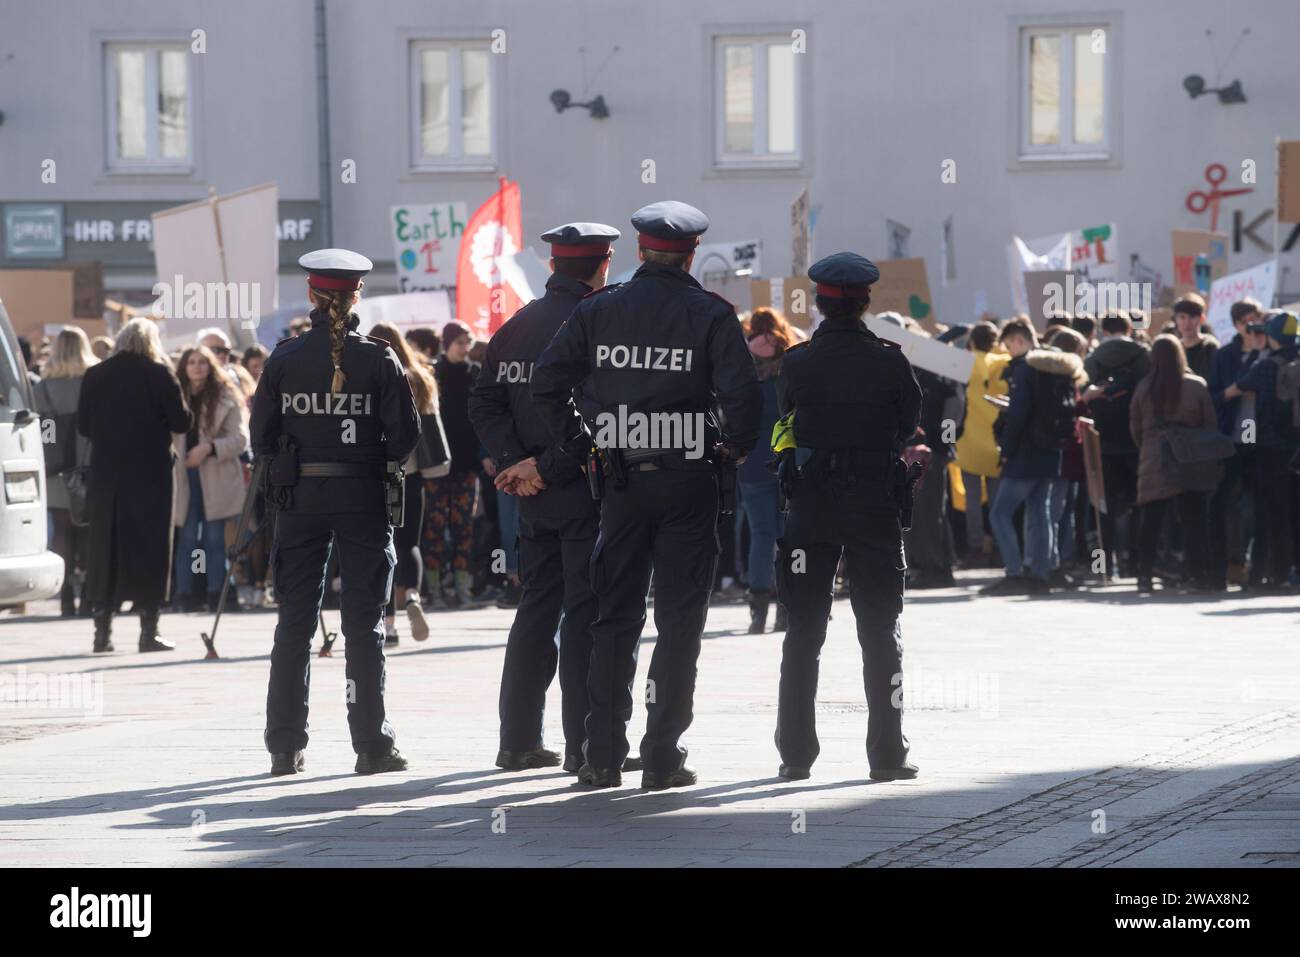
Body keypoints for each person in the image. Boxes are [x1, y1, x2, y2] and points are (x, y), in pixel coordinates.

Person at [531, 200, 761, 789]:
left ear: (639, 251)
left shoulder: (600, 310)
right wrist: (729, 449)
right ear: (689, 257)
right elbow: (743, 400)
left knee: (614, 618)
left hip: (621, 481)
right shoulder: (710, 313)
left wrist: (583, 442)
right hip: (688, 478)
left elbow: (547, 383)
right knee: (680, 621)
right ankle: (661, 755)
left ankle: (601, 754)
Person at [250, 249, 420, 776]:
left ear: (312, 297)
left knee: (294, 624)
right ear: (356, 296)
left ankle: (284, 745)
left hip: (300, 500)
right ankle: (371, 744)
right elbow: (406, 438)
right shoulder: (379, 357)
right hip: (364, 499)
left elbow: (260, 437)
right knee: (364, 625)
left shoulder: (284, 357)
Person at [469, 221, 619, 774]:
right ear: (602, 266)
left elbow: (483, 402)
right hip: (582, 487)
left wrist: (514, 463)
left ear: (553, 265)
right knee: (583, 613)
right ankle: (583, 744)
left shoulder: (515, 327)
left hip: (532, 496)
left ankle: (518, 739)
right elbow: (603, 418)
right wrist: (546, 465)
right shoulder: (598, 325)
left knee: (535, 610)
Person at [770, 252, 921, 782]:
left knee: (804, 630)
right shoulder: (890, 359)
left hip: (811, 506)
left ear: (819, 303)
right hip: (873, 505)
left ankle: (795, 754)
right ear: (865, 303)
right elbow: (908, 424)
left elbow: (786, 415)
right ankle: (887, 753)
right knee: (880, 630)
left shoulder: (798, 361)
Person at [78, 318, 192, 653]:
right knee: (151, 546)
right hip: (151, 474)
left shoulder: (95, 374)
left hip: (106, 475)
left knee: (104, 547)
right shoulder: (159, 373)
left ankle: (102, 633)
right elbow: (181, 422)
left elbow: (84, 426)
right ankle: (148, 631)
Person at [366, 321, 438, 645]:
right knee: (411, 542)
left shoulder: (376, 373)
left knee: (385, 543)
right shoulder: (421, 378)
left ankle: (389, 624)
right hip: (415, 471)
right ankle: (412, 595)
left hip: (385, 471)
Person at [1130, 334, 1216, 593]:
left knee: (1151, 521)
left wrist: (1147, 447)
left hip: (1153, 457)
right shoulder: (1196, 385)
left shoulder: (1144, 388)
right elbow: (1210, 424)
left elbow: (1134, 429)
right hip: (1188, 458)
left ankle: (1144, 576)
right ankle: (1198, 575)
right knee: (1193, 521)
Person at [1223, 311, 1300, 591]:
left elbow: (1231, 391)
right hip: (1297, 447)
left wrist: (1256, 353)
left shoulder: (1265, 366)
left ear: (1271, 336)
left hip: (1270, 450)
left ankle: (1274, 573)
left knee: (1272, 513)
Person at [171, 345, 250, 612]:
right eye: (191, 362)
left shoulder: (226, 395)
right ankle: (186, 593)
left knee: (215, 539)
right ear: (183, 367)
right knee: (188, 539)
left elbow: (239, 439)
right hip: (183, 476)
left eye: (202, 362)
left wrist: (209, 448)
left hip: (216, 475)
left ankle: (217, 593)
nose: (196, 366)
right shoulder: (174, 395)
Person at [33, 327, 97, 618]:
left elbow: (39, 429)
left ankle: (66, 597)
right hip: (89, 462)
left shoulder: (44, 386)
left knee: (61, 531)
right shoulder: (94, 380)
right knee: (86, 530)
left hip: (55, 466)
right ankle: (87, 596)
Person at [738, 308, 794, 632]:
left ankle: (757, 611)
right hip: (786, 458)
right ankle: (785, 608)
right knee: (787, 534)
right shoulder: (790, 362)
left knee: (760, 535)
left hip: (753, 462)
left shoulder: (742, 365)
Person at [1082, 311, 1150, 579]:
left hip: (1102, 441)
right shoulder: (1143, 355)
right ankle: (1135, 563)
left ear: (1103, 331)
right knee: (1138, 504)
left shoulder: (1093, 359)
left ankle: (1104, 566)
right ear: (1128, 328)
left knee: (1104, 507)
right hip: (1136, 440)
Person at [423, 321, 480, 608]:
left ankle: (462, 586)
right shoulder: (433, 372)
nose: (465, 348)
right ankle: (433, 588)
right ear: (447, 343)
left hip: (467, 463)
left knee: (464, 527)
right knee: (434, 526)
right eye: (459, 342)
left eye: (467, 342)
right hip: (436, 464)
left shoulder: (474, 373)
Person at [953, 321, 1009, 566]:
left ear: (972, 341)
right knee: (999, 502)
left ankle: (976, 549)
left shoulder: (962, 363)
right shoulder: (1003, 363)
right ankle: (999, 547)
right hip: (997, 440)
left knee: (972, 499)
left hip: (968, 441)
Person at [1172, 295, 1218, 382]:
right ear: (1175, 319)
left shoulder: (1210, 346)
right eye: (1182, 317)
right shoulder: (1173, 348)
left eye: (1192, 317)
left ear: (1202, 319)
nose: (1187, 322)